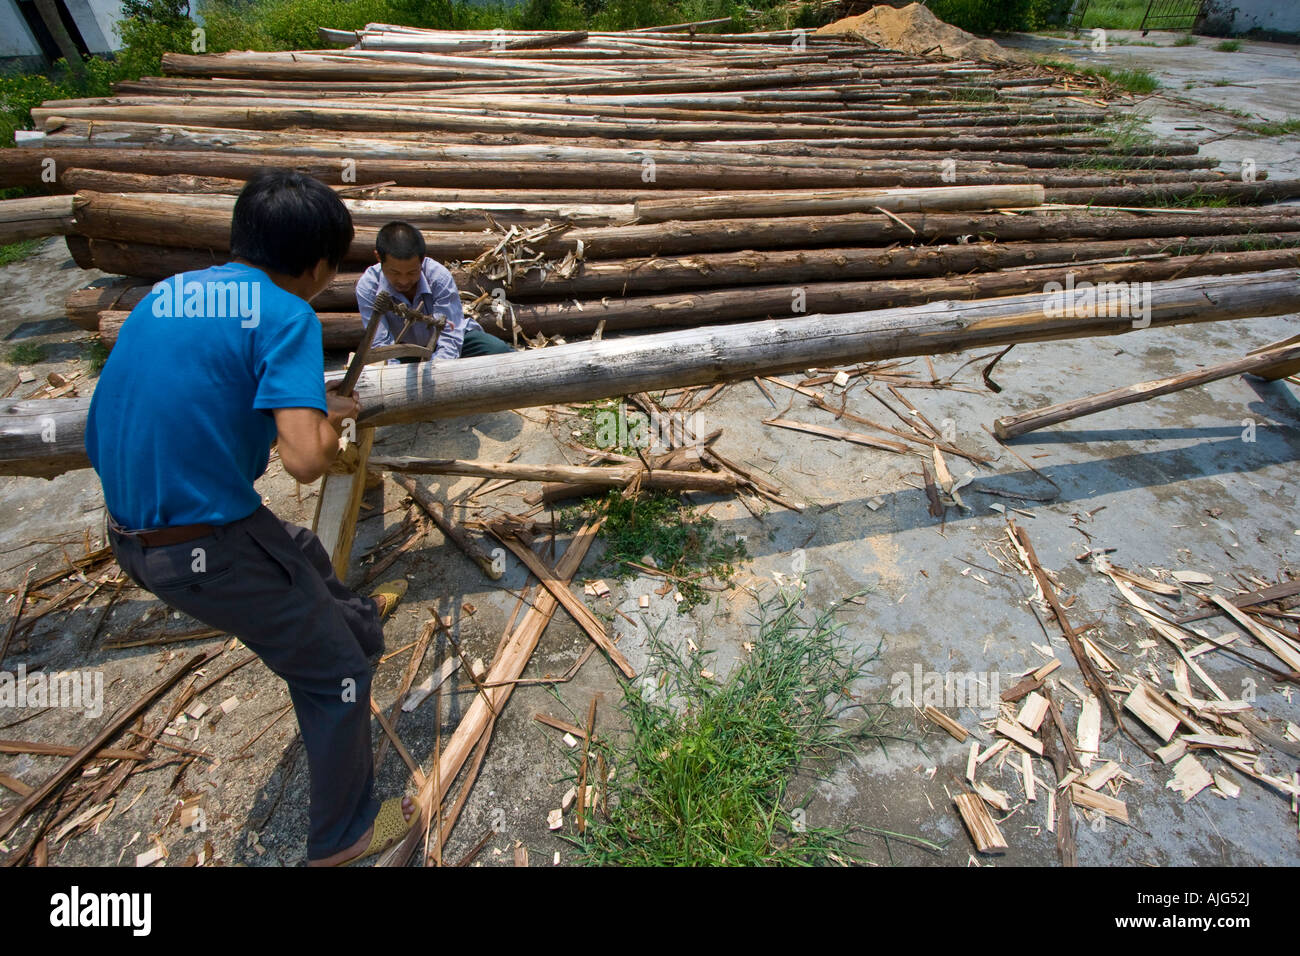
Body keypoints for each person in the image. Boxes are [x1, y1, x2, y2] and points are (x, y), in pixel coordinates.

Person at [85, 169, 415, 867]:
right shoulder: (285, 314)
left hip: (135, 526)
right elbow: (304, 460)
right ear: (320, 263)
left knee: (297, 547)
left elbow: (201, 393)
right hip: (203, 544)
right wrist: (321, 426)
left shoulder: (168, 296)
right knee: (338, 673)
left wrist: (309, 404)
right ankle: (349, 837)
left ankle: (353, 616)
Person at [355, 220, 511, 362]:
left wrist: (437, 372)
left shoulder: (438, 277)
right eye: (395, 273)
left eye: (411, 273)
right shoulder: (368, 287)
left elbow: (450, 337)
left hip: (447, 343)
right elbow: (380, 343)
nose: (403, 281)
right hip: (402, 351)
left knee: (499, 351)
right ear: (378, 257)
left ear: (422, 260)